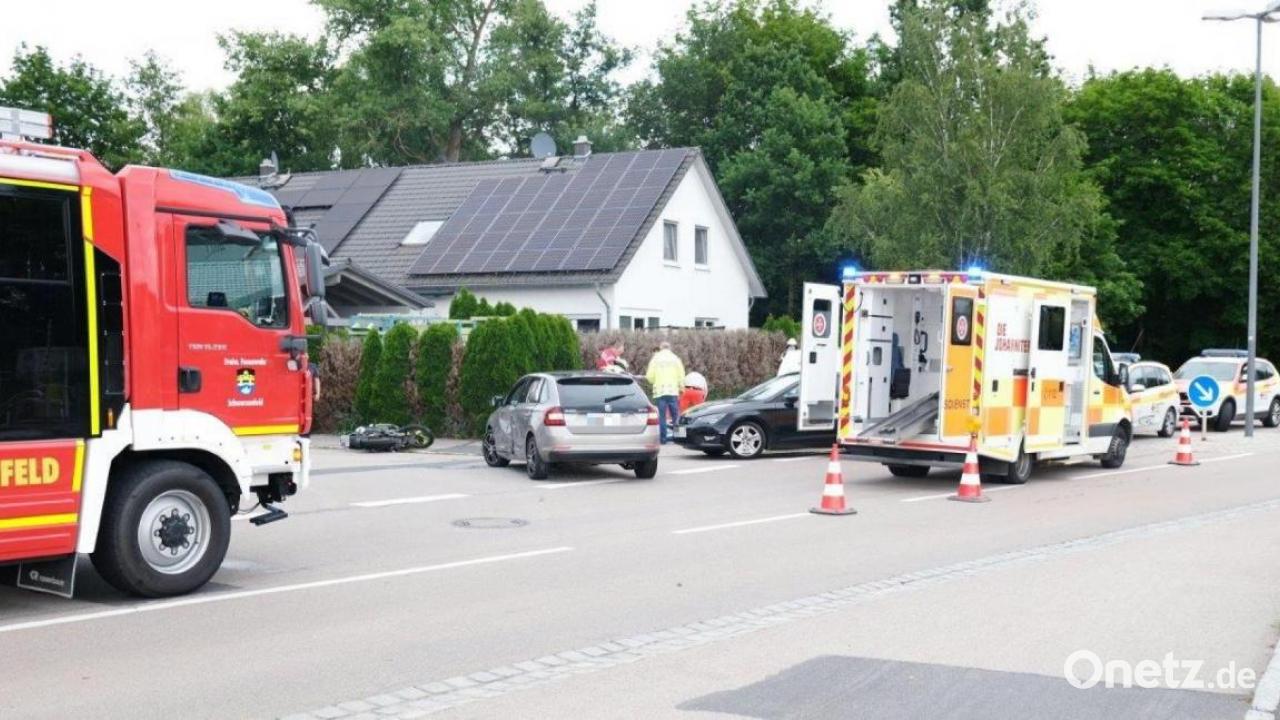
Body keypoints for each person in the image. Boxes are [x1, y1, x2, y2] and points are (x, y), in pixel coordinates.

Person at [646, 341, 686, 444]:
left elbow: (649, 376)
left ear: (660, 348)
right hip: (673, 391)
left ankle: (663, 439)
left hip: (660, 391)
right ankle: (679, 438)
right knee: (676, 416)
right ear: (669, 348)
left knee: (662, 417)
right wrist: (681, 387)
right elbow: (681, 375)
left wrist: (654, 381)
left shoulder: (655, 359)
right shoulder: (675, 359)